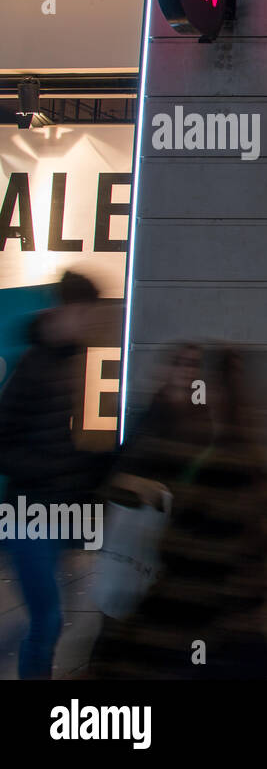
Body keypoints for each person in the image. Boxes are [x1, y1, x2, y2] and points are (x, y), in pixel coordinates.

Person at [91, 347, 267, 679]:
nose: (189, 375)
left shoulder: (207, 426)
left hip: (191, 578)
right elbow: (116, 476)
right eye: (184, 364)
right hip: (159, 555)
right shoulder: (157, 418)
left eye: (195, 367)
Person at [0, 271, 113, 679]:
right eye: (84, 313)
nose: (88, 324)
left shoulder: (64, 360)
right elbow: (6, 443)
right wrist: (61, 470)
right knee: (47, 617)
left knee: (50, 613)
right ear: (66, 309)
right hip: (28, 514)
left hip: (53, 509)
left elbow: (56, 438)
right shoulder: (34, 365)